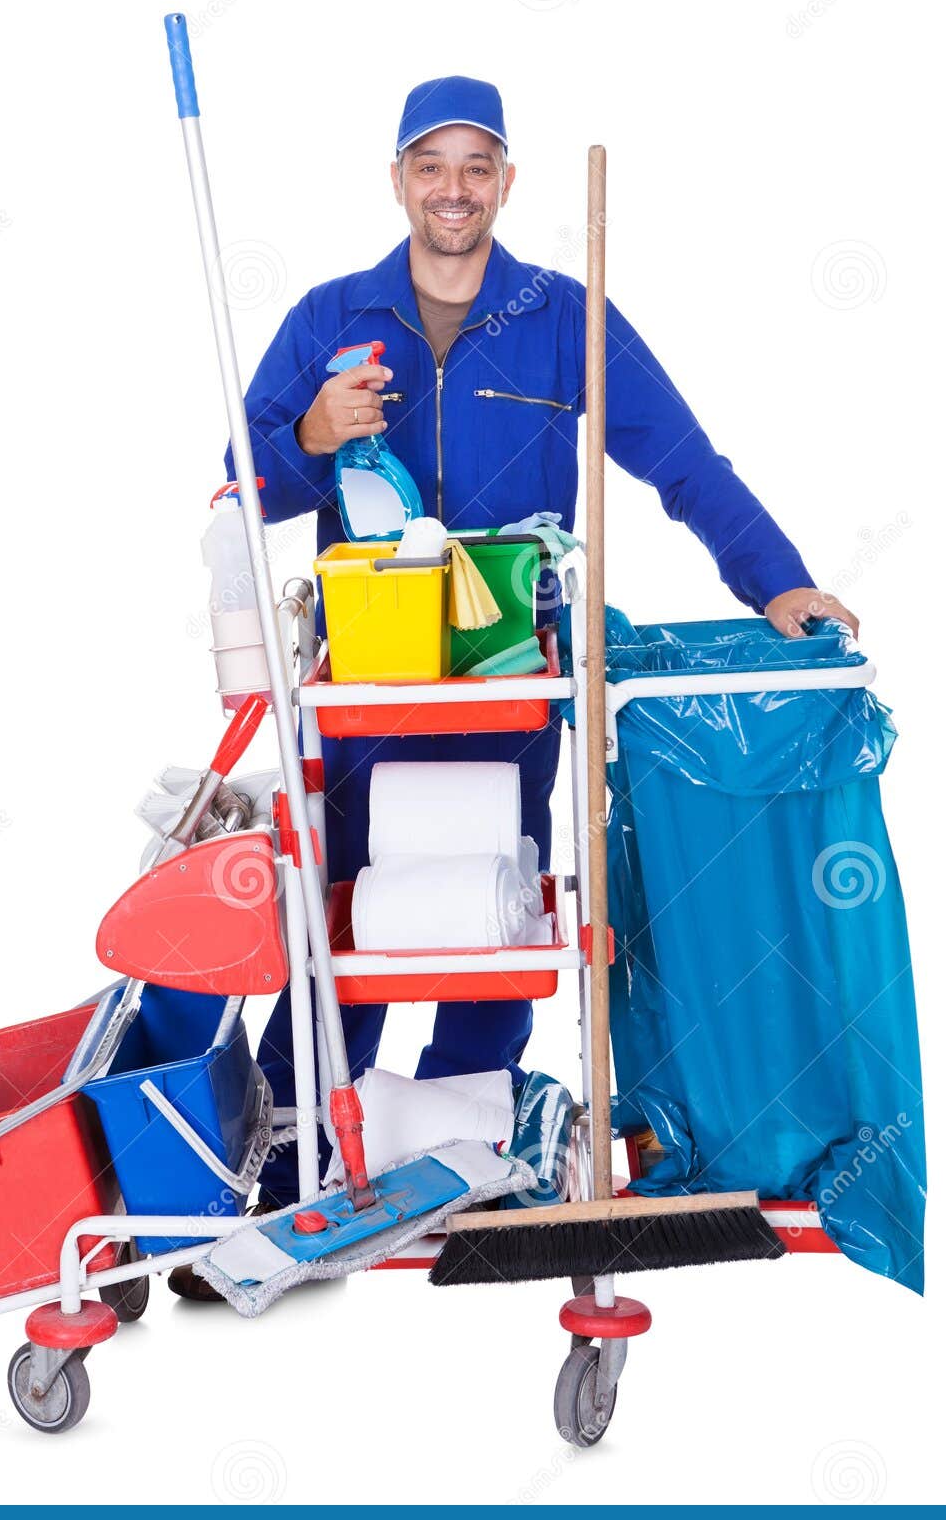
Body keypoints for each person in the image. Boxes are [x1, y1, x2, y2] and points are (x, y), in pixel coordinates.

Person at [169, 74, 857, 1294]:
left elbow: (684, 464)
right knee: (346, 924)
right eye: (428, 165)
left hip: (511, 682)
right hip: (367, 686)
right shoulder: (332, 317)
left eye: (475, 165)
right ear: (396, 180)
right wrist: (311, 437)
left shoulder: (562, 318)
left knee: (491, 924)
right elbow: (242, 481)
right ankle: (293, 1174)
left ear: (506, 182)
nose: (452, 188)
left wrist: (780, 585)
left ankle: (461, 1156)